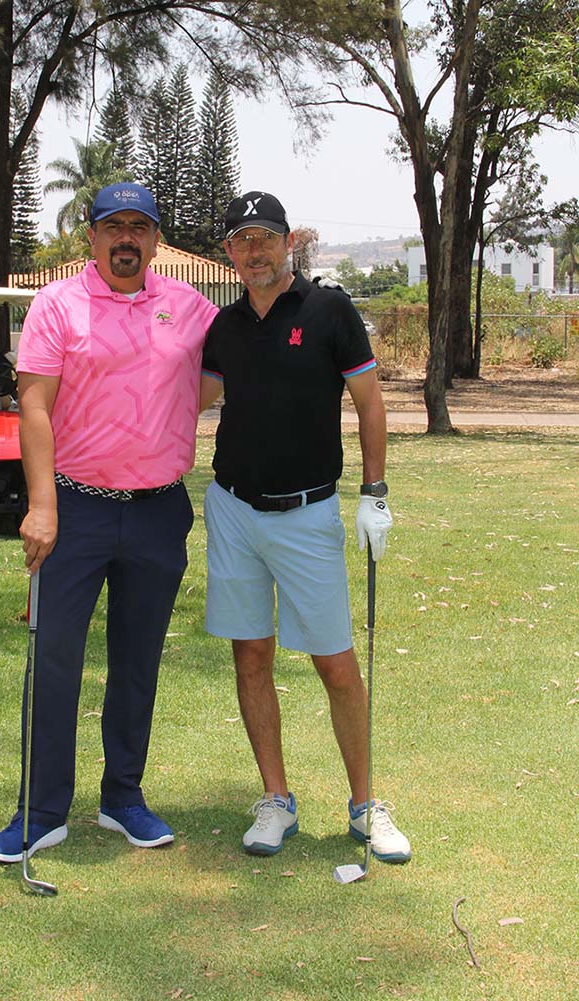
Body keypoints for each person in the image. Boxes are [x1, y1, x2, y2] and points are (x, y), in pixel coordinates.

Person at [0, 183, 218, 863]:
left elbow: (223, 369)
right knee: (54, 661)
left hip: (157, 512)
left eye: (139, 227)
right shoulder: (58, 305)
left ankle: (123, 797)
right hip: (74, 509)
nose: (125, 238)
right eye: (112, 226)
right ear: (90, 236)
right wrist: (43, 505)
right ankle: (41, 811)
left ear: (155, 239)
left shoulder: (190, 308)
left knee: (137, 663)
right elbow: (33, 407)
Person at [199, 191, 411, 863]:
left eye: (266, 237)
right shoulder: (224, 327)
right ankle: (276, 800)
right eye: (242, 240)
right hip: (233, 508)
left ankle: (365, 804)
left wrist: (374, 492)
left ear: (289, 242)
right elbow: (186, 398)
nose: (254, 250)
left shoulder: (330, 310)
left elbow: (369, 402)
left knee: (336, 662)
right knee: (251, 654)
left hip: (308, 510)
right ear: (228, 253)